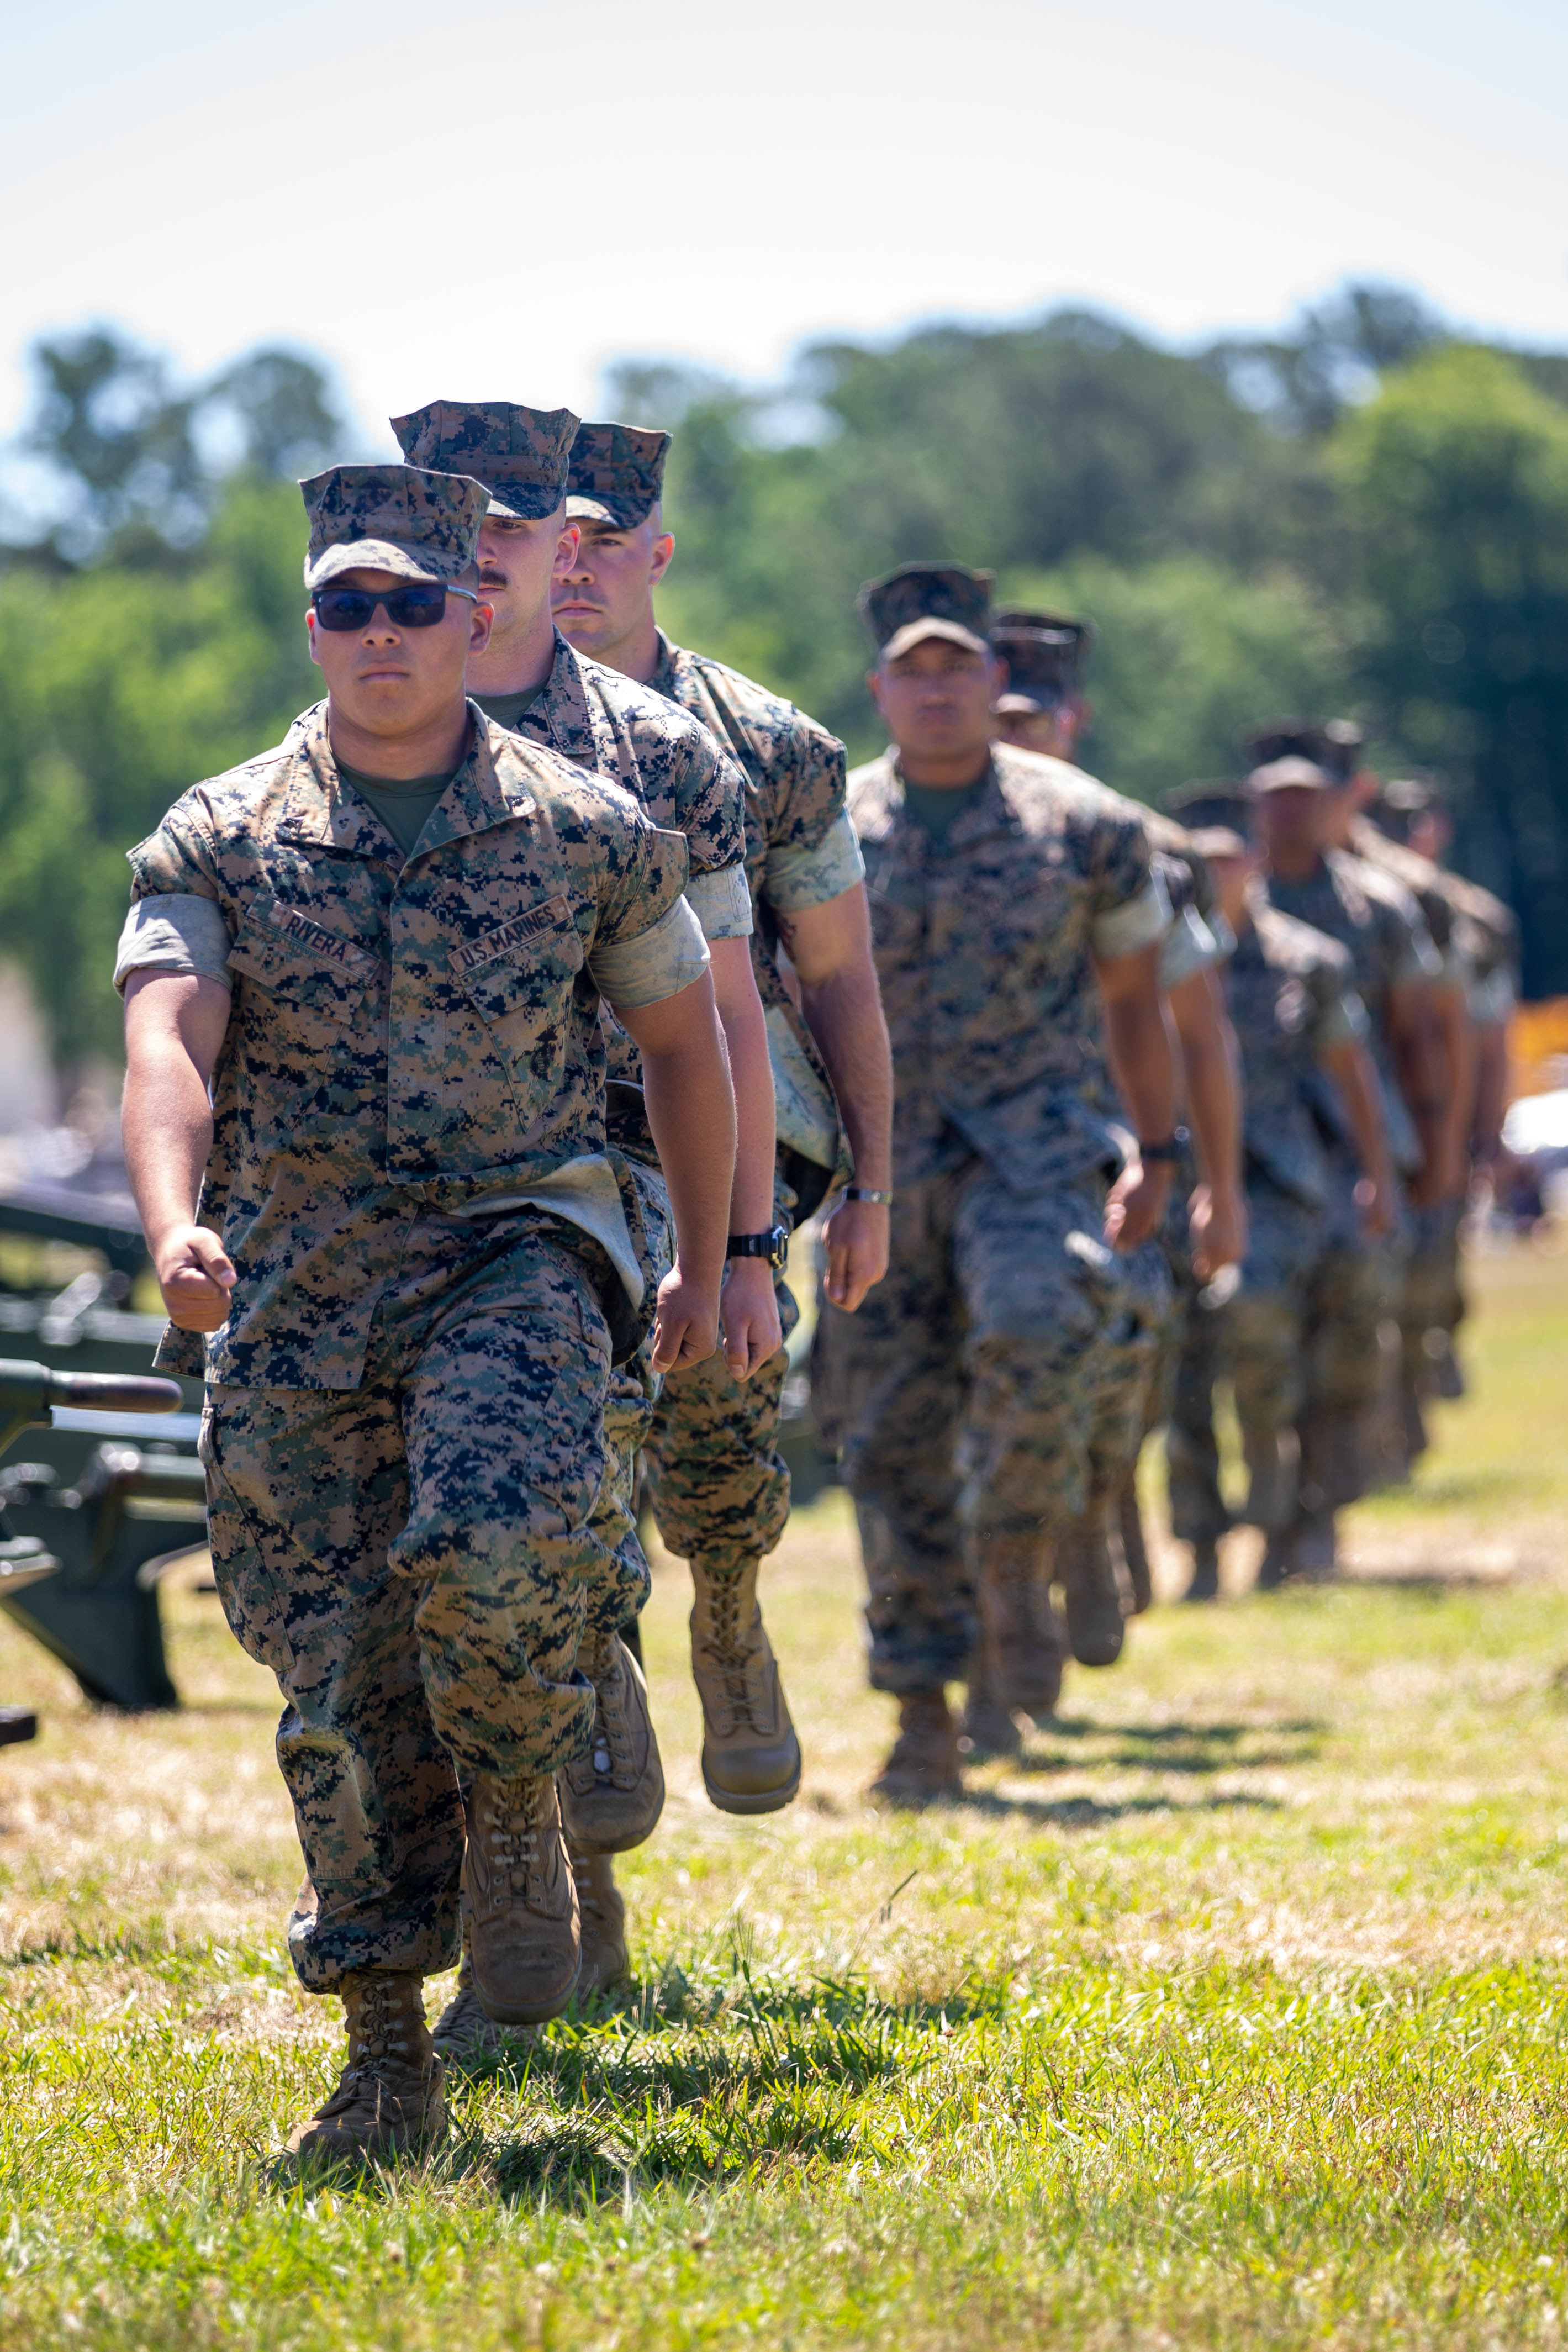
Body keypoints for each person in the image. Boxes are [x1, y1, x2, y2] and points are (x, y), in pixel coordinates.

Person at [115, 462, 737, 2160]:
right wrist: (176, 1226)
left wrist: (711, 1251)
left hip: (514, 1247)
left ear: (475, 613)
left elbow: (686, 1047)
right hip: (300, 1280)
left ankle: (527, 1789)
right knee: (339, 1682)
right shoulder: (218, 832)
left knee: (499, 1537)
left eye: (410, 603)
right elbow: (167, 1034)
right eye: (345, 605)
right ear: (312, 622)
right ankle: (388, 2055)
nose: (377, 634)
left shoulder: (592, 828)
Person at [386, 400, 769, 2024]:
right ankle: (568, 1894)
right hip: (448, 1204)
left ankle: (714, 1617)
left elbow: (735, 1024)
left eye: (520, 525)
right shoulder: (368, 715)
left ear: (571, 542)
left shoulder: (666, 752)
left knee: (652, 1471)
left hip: (640, 1169)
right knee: (510, 1538)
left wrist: (739, 1244)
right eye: (452, 528)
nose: (482, 561)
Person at [552, 416, 894, 1801]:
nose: (574, 569)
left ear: (659, 553)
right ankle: (588, 1748)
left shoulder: (766, 746)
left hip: (729, 1151)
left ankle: (730, 1610)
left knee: (718, 1448)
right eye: (546, 543)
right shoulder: (461, 719)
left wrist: (869, 1186)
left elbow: (841, 980)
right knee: (566, 1459)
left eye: (604, 543)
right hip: (540, 1153)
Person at [813, 562, 1177, 1804]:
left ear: (993, 679)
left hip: (1037, 1149)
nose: (933, 690)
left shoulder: (1088, 824)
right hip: (882, 1166)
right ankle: (924, 1705)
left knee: (1038, 1328)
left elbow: (1139, 998)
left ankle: (1017, 1554)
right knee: (891, 1429)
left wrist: (1162, 1150)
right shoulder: (829, 829)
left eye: (955, 667)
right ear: (879, 688)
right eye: (909, 672)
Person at [988, 610, 1245, 1656]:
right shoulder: (891, 825)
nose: (1011, 738)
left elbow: (1199, 1028)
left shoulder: (1134, 848)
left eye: (1028, 718)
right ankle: (997, 1627)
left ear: (1070, 720)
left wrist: (1210, 1178)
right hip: (956, 1159)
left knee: (1114, 1356)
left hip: (1111, 1152)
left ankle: (1093, 1512)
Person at [1165, 813, 1395, 1596]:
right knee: (1181, 1372)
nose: (1219, 875)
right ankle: (1199, 1543)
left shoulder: (1309, 961)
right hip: (1169, 1179)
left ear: (1255, 863)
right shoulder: (1147, 951)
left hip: (1278, 1189)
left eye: (1230, 860)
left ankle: (1283, 1516)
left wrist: (1377, 1172)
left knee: (1266, 1345)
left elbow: (1352, 1070)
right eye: (1204, 861)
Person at [1249, 743, 1443, 1576]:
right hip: (1256, 1155)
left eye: (1307, 795)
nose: (1292, 811)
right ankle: (1268, 1510)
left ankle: (1324, 1508)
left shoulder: (1380, 910)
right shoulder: (1230, 902)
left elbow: (1414, 1035)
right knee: (1258, 1332)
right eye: (1276, 797)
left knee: (1353, 1326)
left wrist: (1427, 1151)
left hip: (1354, 1152)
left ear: (1336, 803)